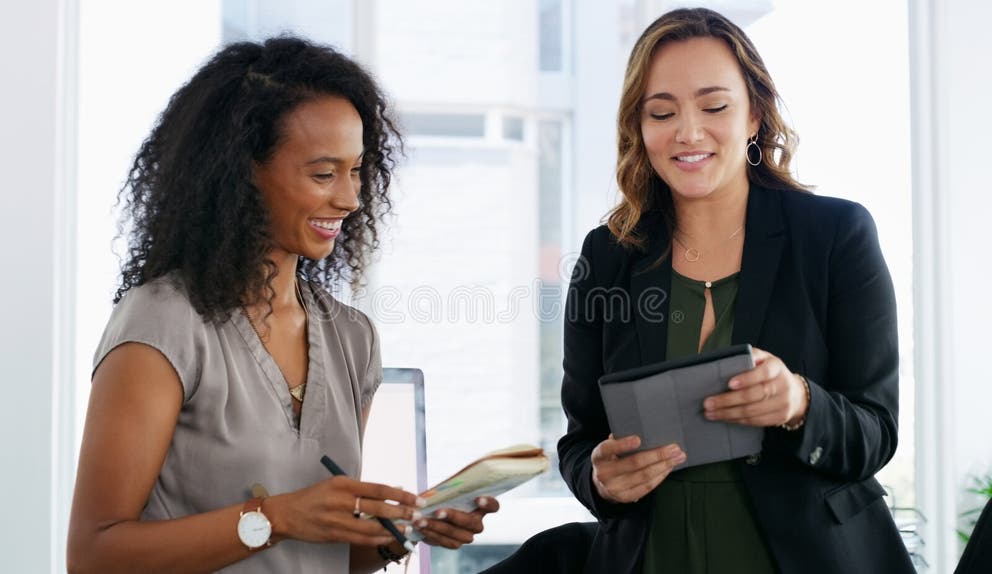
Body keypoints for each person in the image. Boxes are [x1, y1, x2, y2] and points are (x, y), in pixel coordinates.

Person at [67, 36, 497, 574]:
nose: (350, 198)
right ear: (242, 171)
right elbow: (94, 555)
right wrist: (276, 517)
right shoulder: (164, 322)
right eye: (323, 174)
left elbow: (330, 555)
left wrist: (402, 531)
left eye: (357, 170)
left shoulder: (352, 338)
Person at [557, 8, 914, 573]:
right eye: (661, 112)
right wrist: (600, 479)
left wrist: (800, 403)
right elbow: (581, 442)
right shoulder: (607, 255)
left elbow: (877, 431)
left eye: (714, 106)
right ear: (639, 128)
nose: (688, 132)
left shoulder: (834, 235)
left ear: (754, 114)